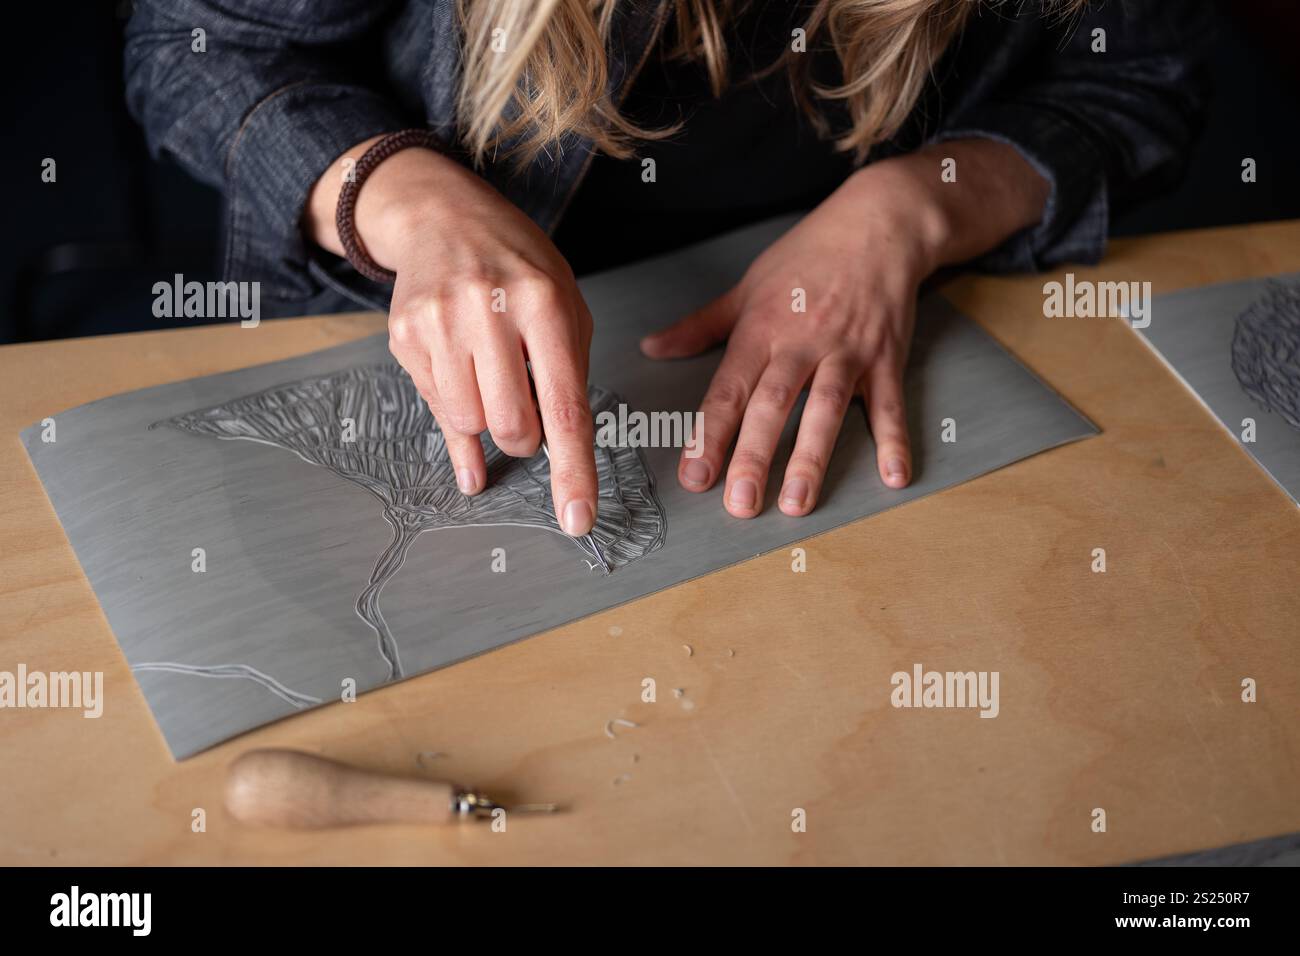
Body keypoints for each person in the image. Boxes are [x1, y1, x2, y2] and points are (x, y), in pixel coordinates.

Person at [124, 0, 1208, 535]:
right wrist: (396, 196)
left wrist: (916, 205)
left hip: (906, 328)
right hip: (385, 322)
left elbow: (1146, 82)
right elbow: (185, 47)